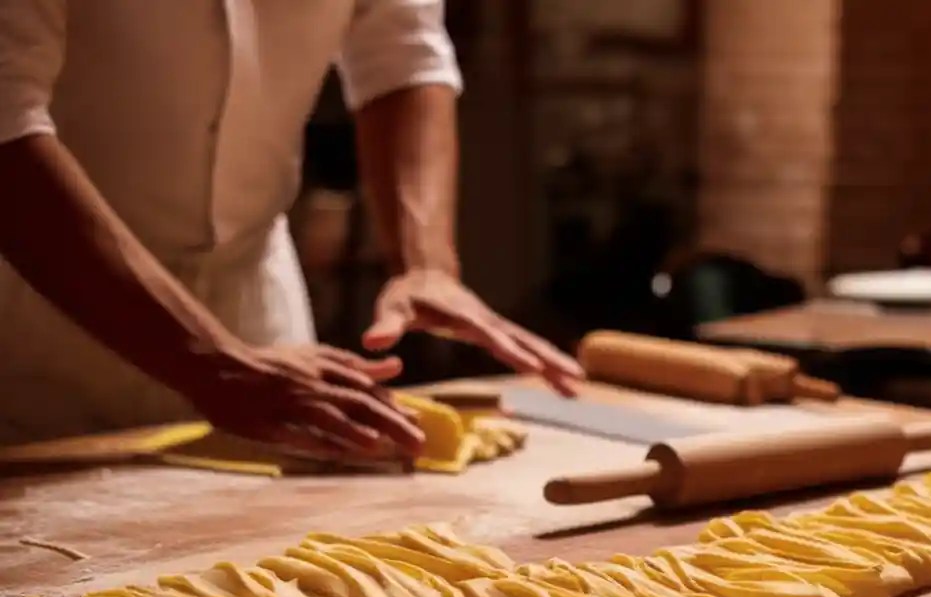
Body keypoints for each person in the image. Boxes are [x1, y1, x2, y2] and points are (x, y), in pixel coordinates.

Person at [0, 1, 583, 456]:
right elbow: (7, 120)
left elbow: (403, 54)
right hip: (44, 322)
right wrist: (210, 359)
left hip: (255, 317)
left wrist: (426, 263)